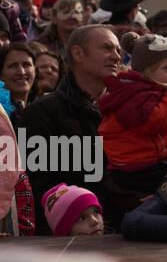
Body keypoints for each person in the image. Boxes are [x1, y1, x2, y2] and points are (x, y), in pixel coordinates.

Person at [19, 24, 119, 232]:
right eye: (107, 48)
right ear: (78, 53)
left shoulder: (125, 110)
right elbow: (37, 188)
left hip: (121, 233)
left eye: (118, 50)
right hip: (67, 241)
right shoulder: (42, 113)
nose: (116, 56)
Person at [96, 32, 167, 227]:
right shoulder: (139, 94)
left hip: (144, 163)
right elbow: (155, 122)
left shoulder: (145, 90)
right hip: (139, 168)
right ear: (147, 70)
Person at [0, 43, 38, 113]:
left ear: (35, 70)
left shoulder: (43, 108)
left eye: (26, 65)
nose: (21, 72)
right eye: (13, 66)